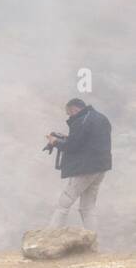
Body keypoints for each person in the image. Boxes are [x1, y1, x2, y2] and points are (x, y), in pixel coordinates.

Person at [47, 98, 112, 233]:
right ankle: (92, 243)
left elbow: (73, 147)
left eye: (69, 113)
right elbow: (88, 140)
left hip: (86, 168)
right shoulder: (101, 118)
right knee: (87, 207)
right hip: (100, 168)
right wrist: (68, 137)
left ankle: (50, 236)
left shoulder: (81, 121)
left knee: (64, 203)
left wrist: (55, 142)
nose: (69, 116)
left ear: (74, 109)